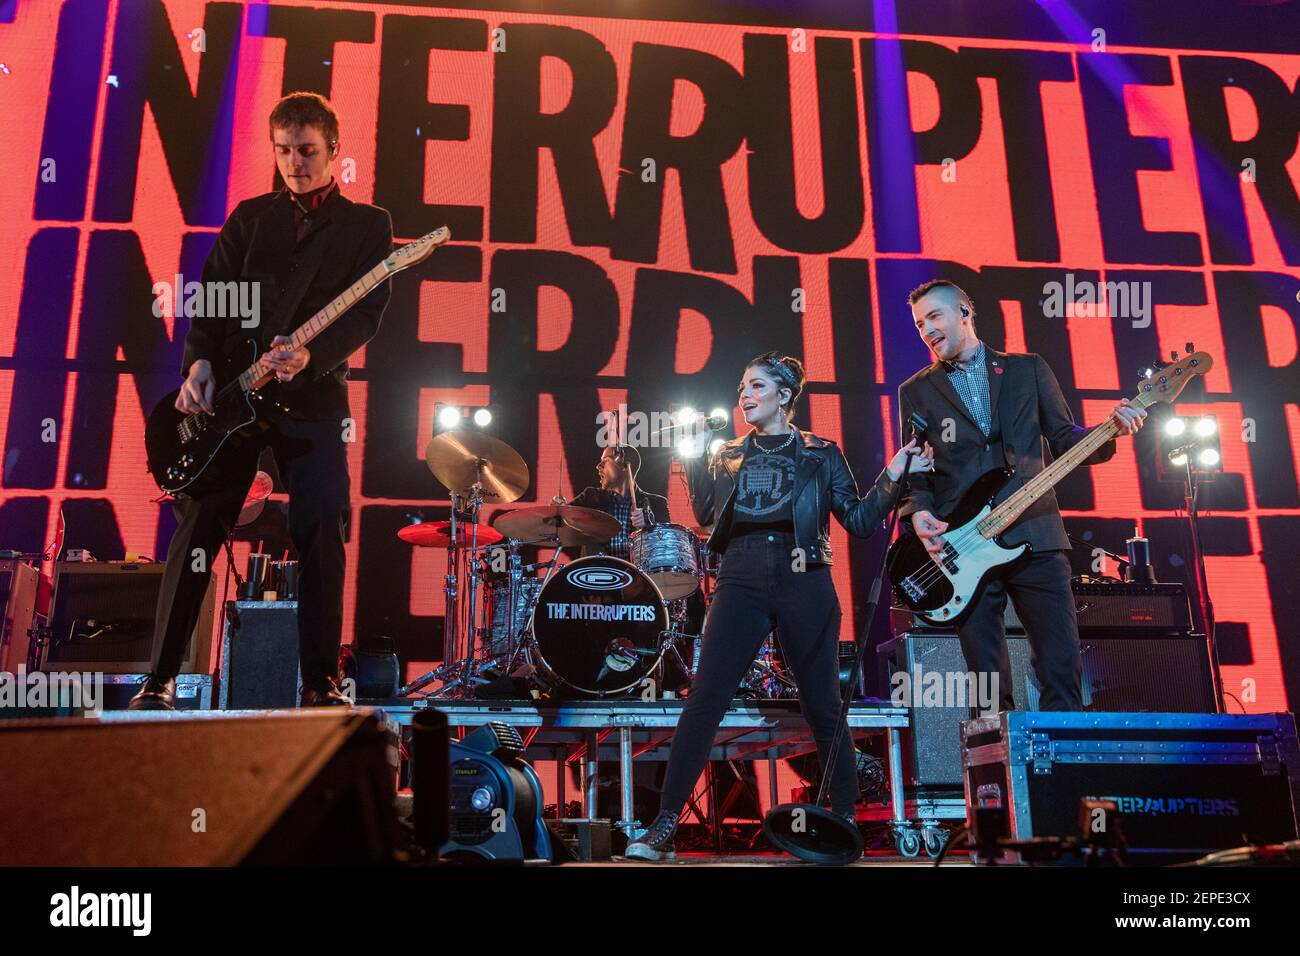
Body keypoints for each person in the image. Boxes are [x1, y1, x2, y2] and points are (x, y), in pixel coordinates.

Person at [131, 92, 393, 709]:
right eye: (283, 151)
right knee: (199, 525)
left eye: (307, 151)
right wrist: (197, 363)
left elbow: (366, 317)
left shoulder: (367, 225)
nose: (295, 162)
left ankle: (321, 683)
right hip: (231, 402)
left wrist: (311, 357)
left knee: (323, 526)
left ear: (334, 150)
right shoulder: (249, 218)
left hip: (314, 400)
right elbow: (212, 296)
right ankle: (159, 679)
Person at [625, 351, 933, 861]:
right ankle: (662, 825)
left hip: (804, 575)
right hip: (740, 576)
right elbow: (705, 515)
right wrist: (697, 458)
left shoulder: (820, 452)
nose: (744, 395)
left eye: (756, 386)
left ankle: (845, 819)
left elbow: (857, 520)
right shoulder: (724, 453)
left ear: (785, 395)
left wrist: (894, 471)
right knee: (705, 701)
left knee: (823, 705)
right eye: (742, 387)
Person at [897, 279, 1145, 714]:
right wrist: (917, 513)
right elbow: (917, 473)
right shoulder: (915, 390)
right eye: (919, 324)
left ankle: (1065, 777)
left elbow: (1066, 438)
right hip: (965, 545)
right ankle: (1000, 776)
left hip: (1036, 531)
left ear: (964, 313)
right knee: (987, 683)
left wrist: (1111, 431)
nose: (927, 330)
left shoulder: (1027, 369)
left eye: (934, 317)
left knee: (1060, 664)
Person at [563, 444, 669, 560]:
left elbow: (667, 546)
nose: (598, 467)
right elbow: (561, 522)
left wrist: (649, 526)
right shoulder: (590, 497)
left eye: (605, 462)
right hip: (597, 572)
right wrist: (559, 509)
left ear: (623, 465)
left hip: (638, 575)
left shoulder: (657, 504)